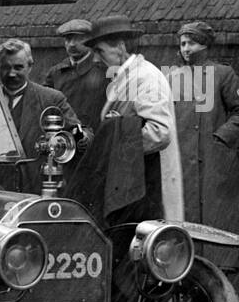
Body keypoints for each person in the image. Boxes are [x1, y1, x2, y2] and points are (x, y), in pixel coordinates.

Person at [78, 14, 184, 224]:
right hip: (131, 182)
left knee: (143, 234)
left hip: (146, 183)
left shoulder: (146, 77)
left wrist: (116, 139)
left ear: (120, 46)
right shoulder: (126, 76)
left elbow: (160, 133)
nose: (96, 59)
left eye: (99, 51)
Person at [172, 20, 239, 269]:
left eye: (192, 43)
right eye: (183, 43)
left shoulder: (222, 74)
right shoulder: (172, 76)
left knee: (217, 215)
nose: (186, 49)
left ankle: (218, 269)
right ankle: (185, 268)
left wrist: (221, 137)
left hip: (213, 159)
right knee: (183, 214)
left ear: (205, 45)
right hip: (181, 159)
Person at [0, 38, 87, 194]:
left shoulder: (51, 99)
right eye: (6, 67)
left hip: (34, 188)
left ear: (30, 67)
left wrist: (80, 137)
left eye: (18, 67)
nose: (11, 74)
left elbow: (80, 133)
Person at [42, 18, 106, 134]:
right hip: (65, 140)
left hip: (97, 138)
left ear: (90, 41)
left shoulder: (104, 70)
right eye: (68, 39)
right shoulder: (56, 73)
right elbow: (45, 108)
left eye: (79, 39)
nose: (72, 44)